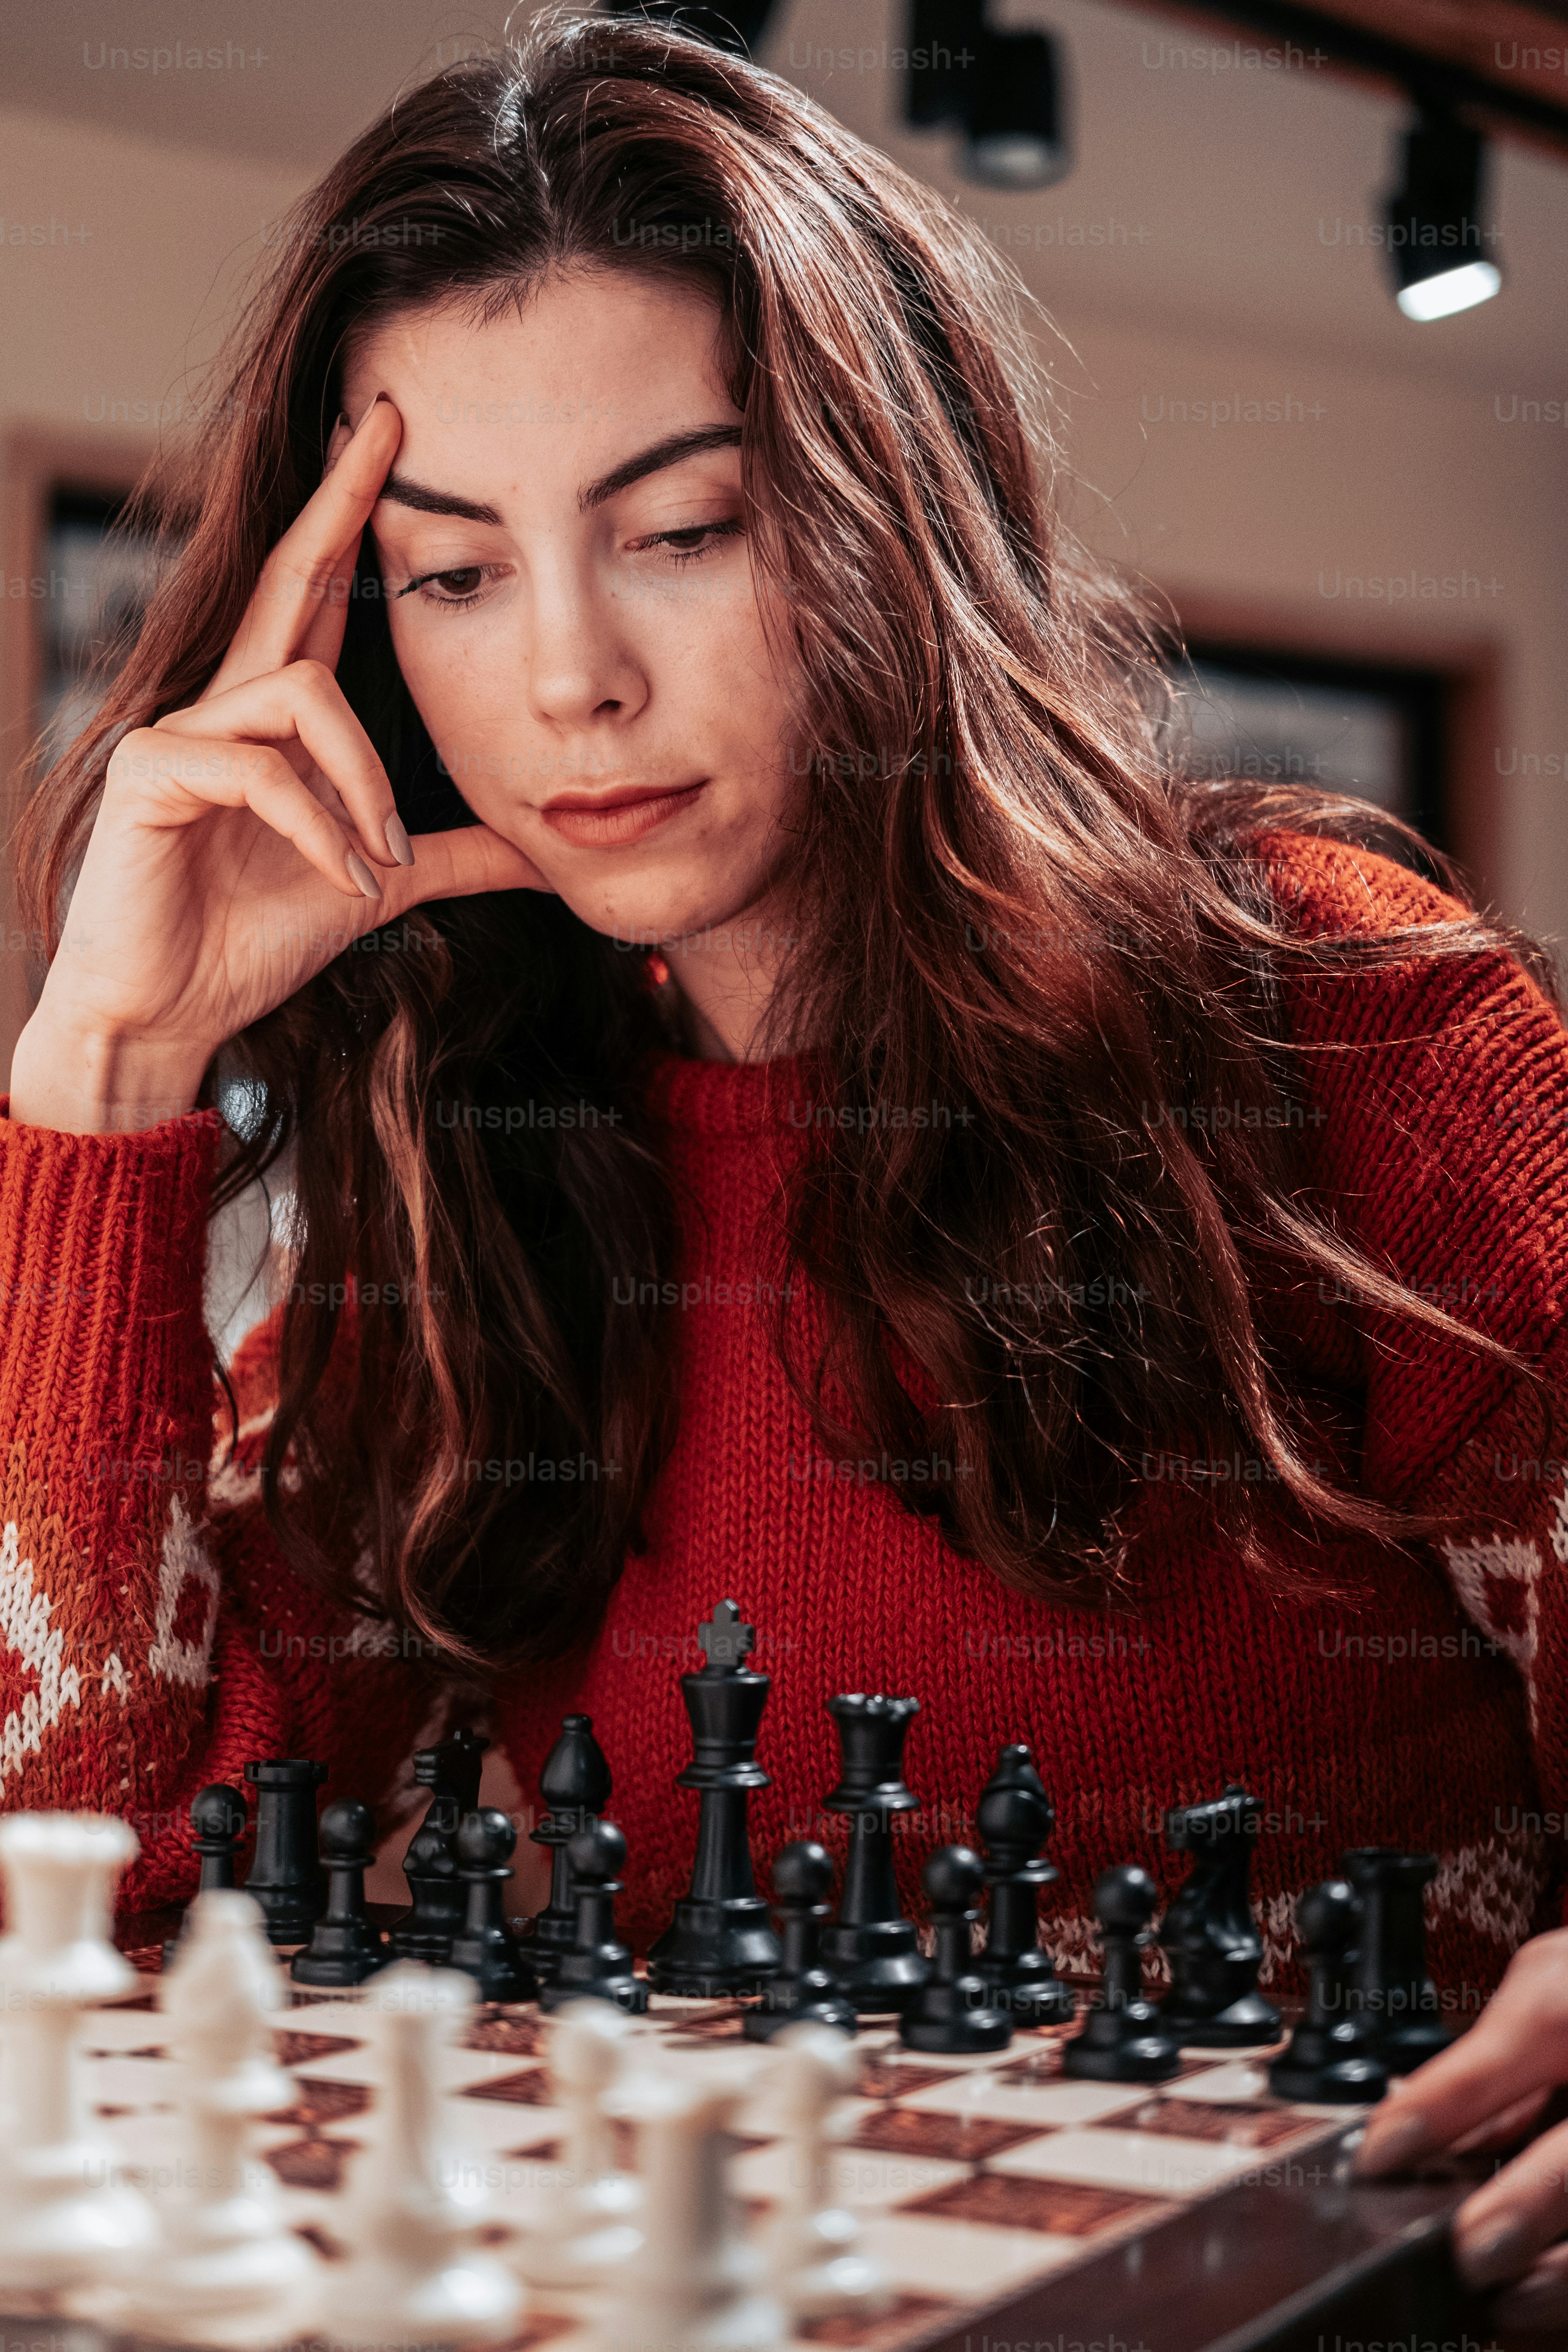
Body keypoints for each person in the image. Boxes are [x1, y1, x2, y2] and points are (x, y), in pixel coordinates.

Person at [1, 14, 1565, 2319]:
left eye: (685, 530)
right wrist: (106, 1080)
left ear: (890, 519)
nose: (573, 678)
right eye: (452, 573)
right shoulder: (456, 1171)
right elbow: (82, 1899)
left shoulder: (1335, 1018)